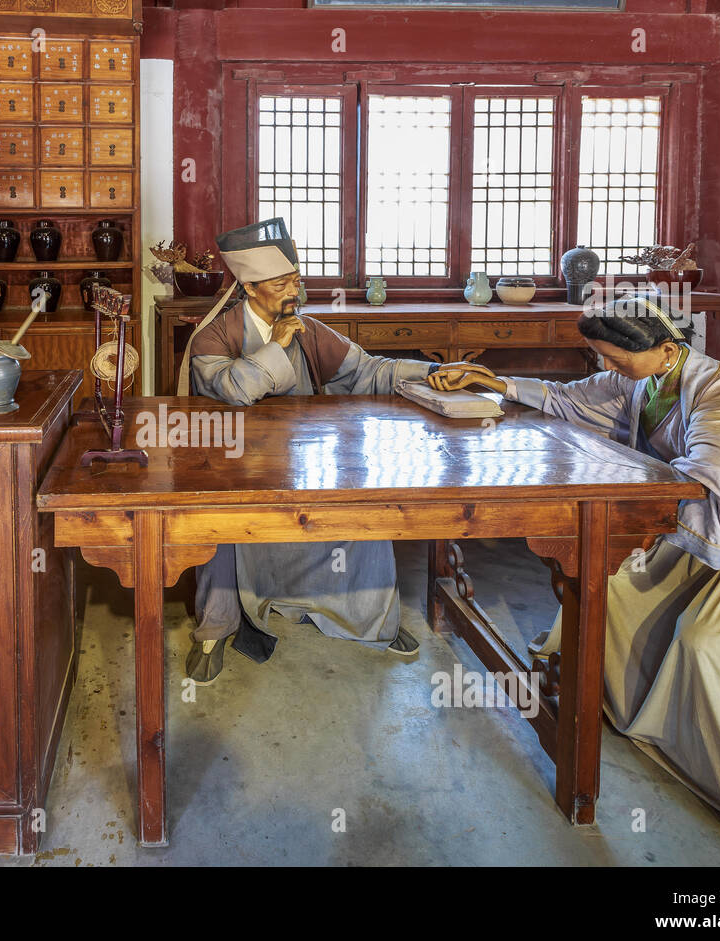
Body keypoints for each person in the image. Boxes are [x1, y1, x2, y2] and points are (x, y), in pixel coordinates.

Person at [431, 294, 720, 866]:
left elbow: (715, 487)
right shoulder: (641, 378)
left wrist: (622, 507)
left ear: (668, 349)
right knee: (616, 595)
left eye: (615, 359)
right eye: (599, 357)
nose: (607, 369)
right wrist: (492, 381)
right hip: (690, 530)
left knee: (711, 645)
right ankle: (626, 709)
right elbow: (566, 398)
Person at [176, 217, 489, 684]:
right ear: (250, 286)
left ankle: (368, 617)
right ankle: (215, 629)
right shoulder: (213, 337)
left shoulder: (310, 330)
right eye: (283, 283)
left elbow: (371, 371)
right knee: (218, 528)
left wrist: (428, 373)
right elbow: (235, 390)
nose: (294, 290)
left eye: (296, 280)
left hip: (302, 456)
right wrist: (276, 347)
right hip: (237, 466)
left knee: (364, 514)